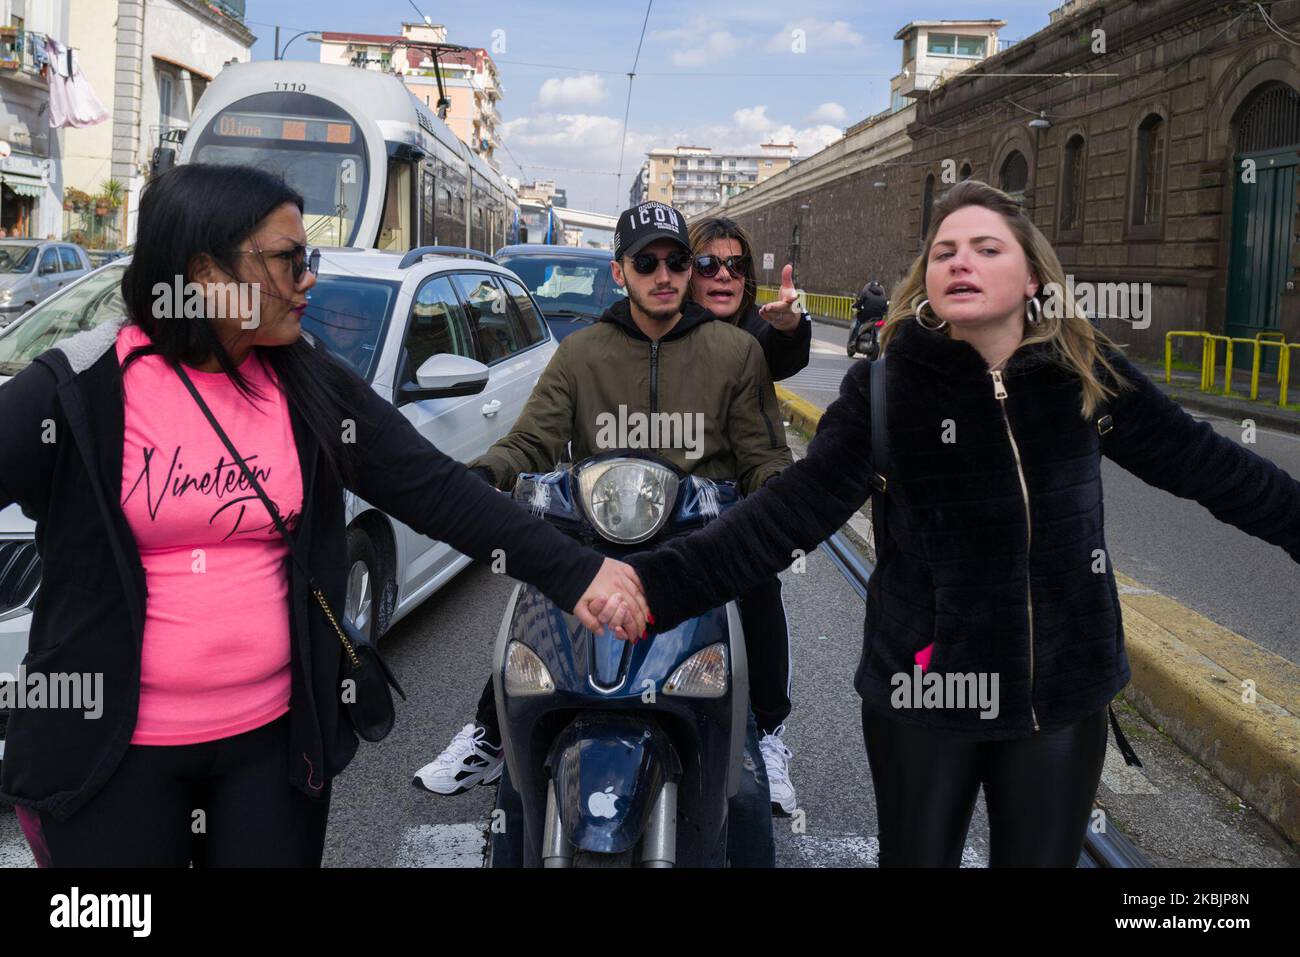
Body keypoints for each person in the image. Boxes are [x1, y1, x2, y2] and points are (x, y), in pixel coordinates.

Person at [618, 179, 1300, 867]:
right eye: (944, 251)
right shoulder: (886, 388)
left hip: (1058, 700)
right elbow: (782, 514)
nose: (960, 261)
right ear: (928, 278)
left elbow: (1209, 465)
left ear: (1032, 275)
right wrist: (648, 588)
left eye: (984, 247)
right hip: (923, 702)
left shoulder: (1084, 374)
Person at [0, 163, 645, 868]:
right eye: (288, 259)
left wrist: (577, 571)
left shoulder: (306, 378)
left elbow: (435, 489)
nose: (310, 278)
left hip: (270, 749)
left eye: (309, 257)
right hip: (107, 755)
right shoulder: (80, 387)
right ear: (205, 273)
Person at [414, 201, 794, 821]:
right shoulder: (580, 354)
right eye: (646, 261)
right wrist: (485, 475)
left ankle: (759, 741)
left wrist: (779, 495)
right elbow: (532, 438)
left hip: (701, 548)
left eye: (676, 260)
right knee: (531, 619)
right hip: (596, 543)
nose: (664, 274)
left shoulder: (735, 353)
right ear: (620, 272)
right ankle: (493, 734)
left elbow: (761, 454)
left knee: (741, 735)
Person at [685, 215, 810, 812]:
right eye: (707, 263)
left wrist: (791, 325)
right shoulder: (659, 324)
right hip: (657, 503)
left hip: (737, 501)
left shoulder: (756, 332)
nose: (723, 275)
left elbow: (783, 347)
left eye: (735, 264)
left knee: (760, 589)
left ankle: (768, 732)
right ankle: (493, 729)